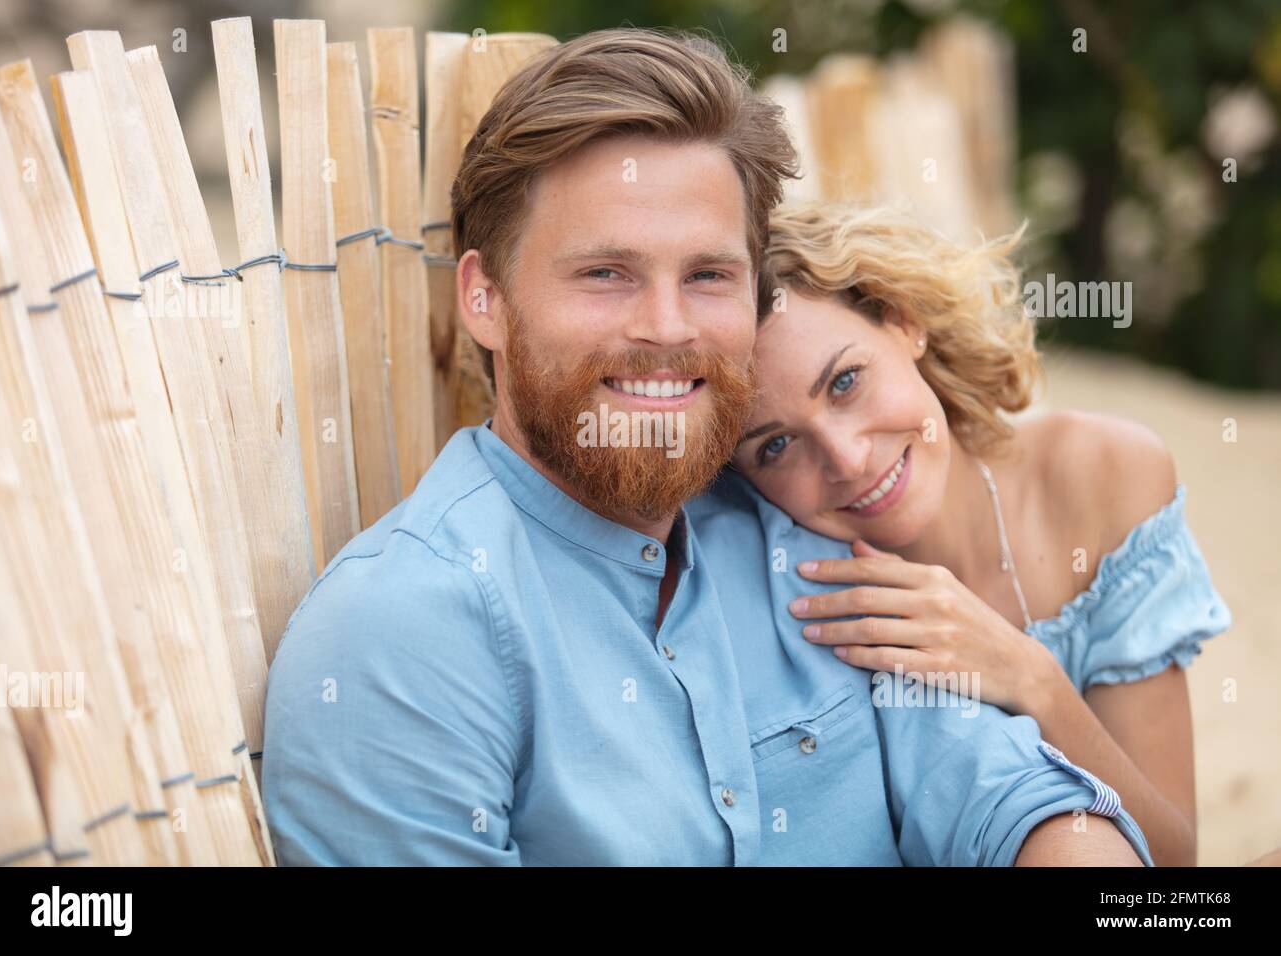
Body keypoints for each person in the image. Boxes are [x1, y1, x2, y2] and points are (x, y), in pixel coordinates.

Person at [261, 27, 1151, 866]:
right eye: (605, 274)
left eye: (708, 275)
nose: (666, 326)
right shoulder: (401, 636)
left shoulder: (801, 544)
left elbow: (1020, 801)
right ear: (484, 299)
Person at [718, 201, 1231, 866]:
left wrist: (1034, 680)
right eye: (777, 444)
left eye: (845, 382)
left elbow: (1174, 859)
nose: (845, 458)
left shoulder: (1104, 477)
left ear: (904, 323)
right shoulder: (793, 587)